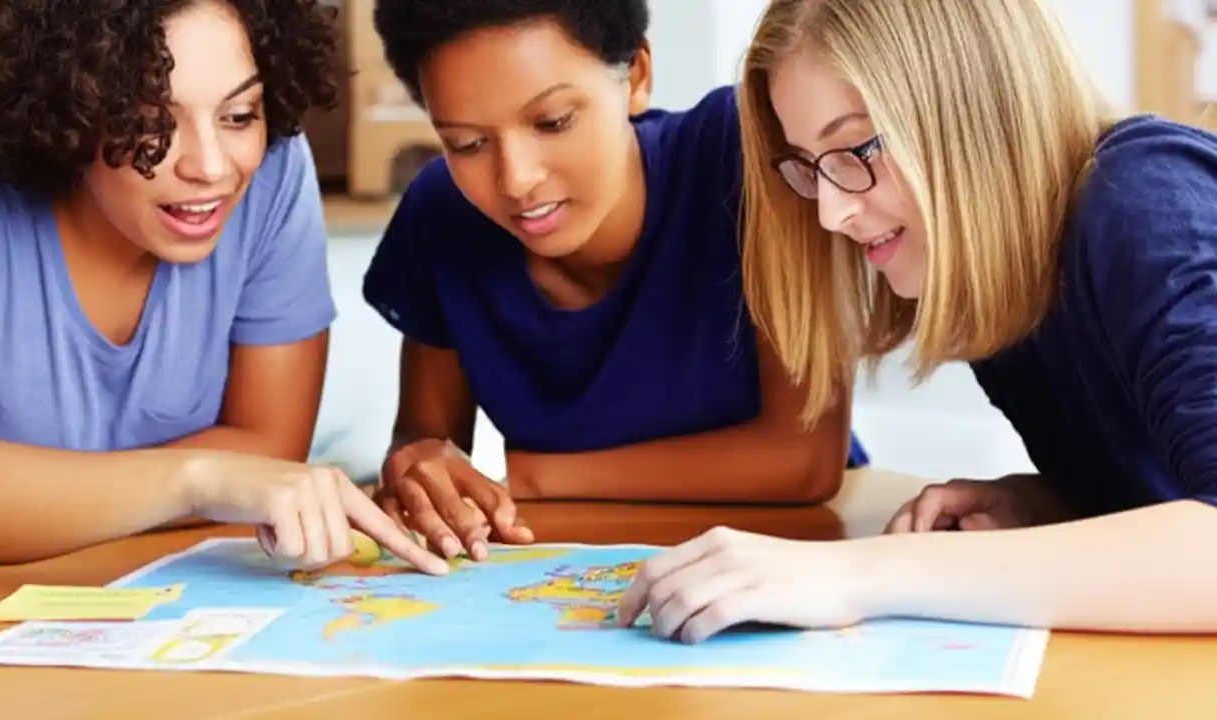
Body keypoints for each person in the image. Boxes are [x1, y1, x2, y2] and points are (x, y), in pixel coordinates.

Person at [618, 0, 1217, 643]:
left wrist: (864, 572)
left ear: (971, 107)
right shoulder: (996, 269)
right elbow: (1174, 489)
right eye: (811, 166)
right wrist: (1045, 502)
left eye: (854, 149)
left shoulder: (1144, 199)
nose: (830, 213)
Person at [0, 0, 445, 574]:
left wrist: (9, 496)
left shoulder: (273, 172)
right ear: (63, 106)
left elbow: (270, 445)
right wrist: (199, 480)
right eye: (150, 120)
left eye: (239, 115)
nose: (211, 167)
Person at [364, 0, 870, 562]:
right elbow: (427, 443)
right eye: (467, 144)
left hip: (790, 551)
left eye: (553, 121)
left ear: (635, 77)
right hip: (558, 565)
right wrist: (417, 467)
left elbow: (803, 460)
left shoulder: (741, 155)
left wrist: (534, 475)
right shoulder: (442, 213)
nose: (517, 180)